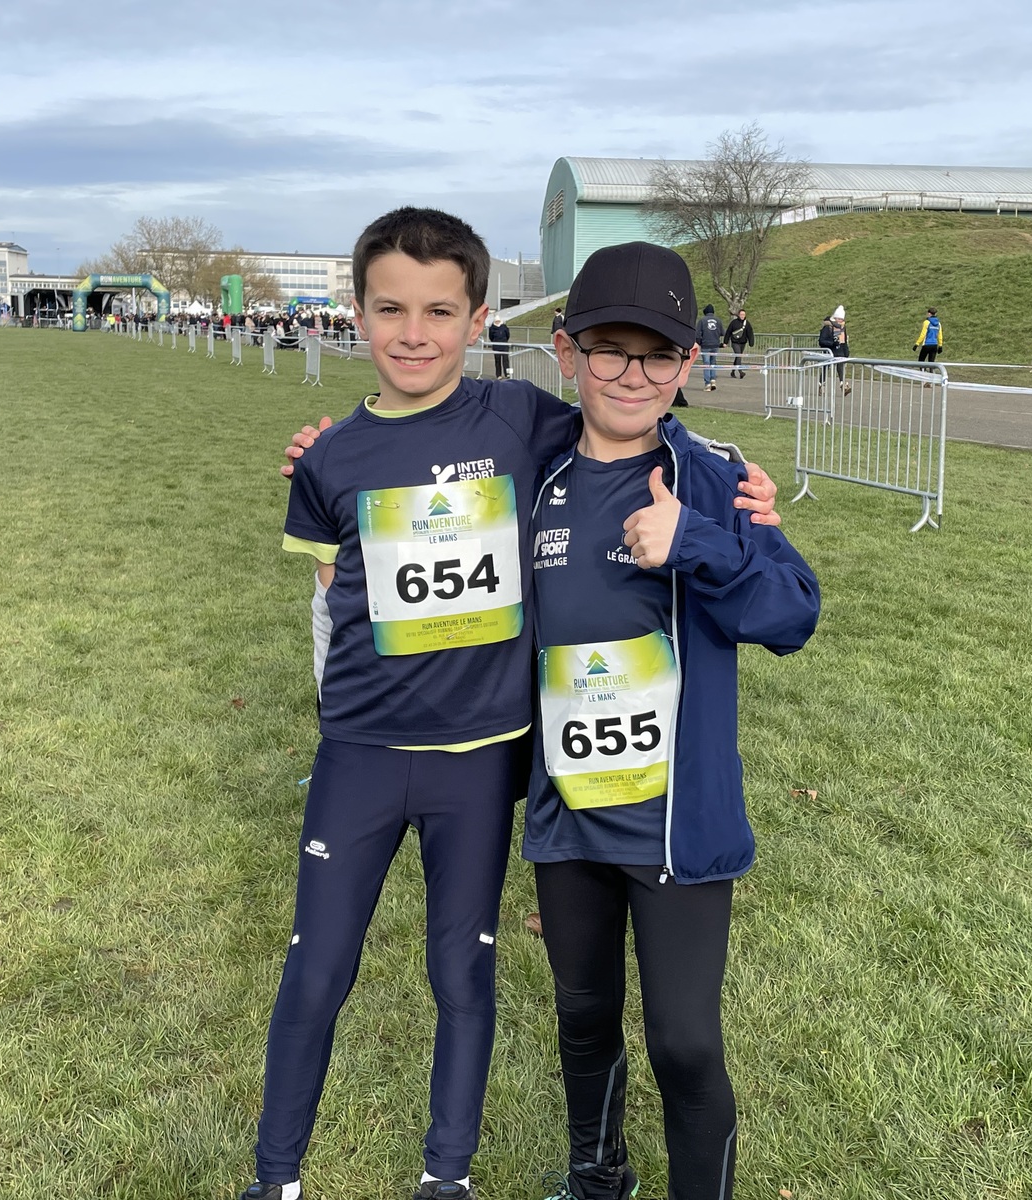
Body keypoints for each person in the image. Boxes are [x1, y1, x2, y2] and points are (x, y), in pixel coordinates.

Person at [258, 212, 781, 1200]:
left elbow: (649, 434)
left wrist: (731, 507)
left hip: (580, 790)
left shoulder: (611, 449)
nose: (414, 333)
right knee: (533, 1005)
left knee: (592, 1011)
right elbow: (365, 542)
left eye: (440, 312)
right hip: (463, 779)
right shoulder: (428, 453)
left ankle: (543, 1183)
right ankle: (579, 1178)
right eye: (392, 310)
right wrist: (324, 457)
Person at [530, 241, 820, 1200]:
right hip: (570, 817)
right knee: (583, 1019)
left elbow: (789, 618)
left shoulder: (717, 477)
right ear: (569, 353)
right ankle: (596, 1179)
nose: (632, 376)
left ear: (689, 365)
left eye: (658, 356)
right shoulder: (533, 480)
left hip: (677, 826)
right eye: (610, 350)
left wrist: (692, 543)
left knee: (685, 1041)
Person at [696, 304, 724, 391]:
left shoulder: (702, 320)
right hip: (715, 345)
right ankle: (713, 380)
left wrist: (699, 342)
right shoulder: (718, 320)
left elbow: (697, 334)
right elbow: (722, 332)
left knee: (706, 364)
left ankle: (707, 383)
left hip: (705, 345)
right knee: (713, 363)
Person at [724, 308, 754, 378]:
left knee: (738, 357)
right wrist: (725, 342)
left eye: (743, 314)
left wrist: (751, 342)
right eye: (741, 314)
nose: (742, 316)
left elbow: (750, 333)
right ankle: (741, 371)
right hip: (735, 342)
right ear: (738, 315)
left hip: (743, 343)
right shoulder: (734, 322)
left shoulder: (747, 323)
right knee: (739, 355)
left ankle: (733, 372)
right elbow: (728, 332)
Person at [487, 313, 512, 378]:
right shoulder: (492, 328)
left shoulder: (504, 327)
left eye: (498, 321)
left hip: (504, 346)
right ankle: (498, 375)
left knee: (505, 360)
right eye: (496, 321)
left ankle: (507, 374)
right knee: (497, 361)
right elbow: (491, 337)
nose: (497, 322)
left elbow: (507, 335)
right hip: (496, 346)